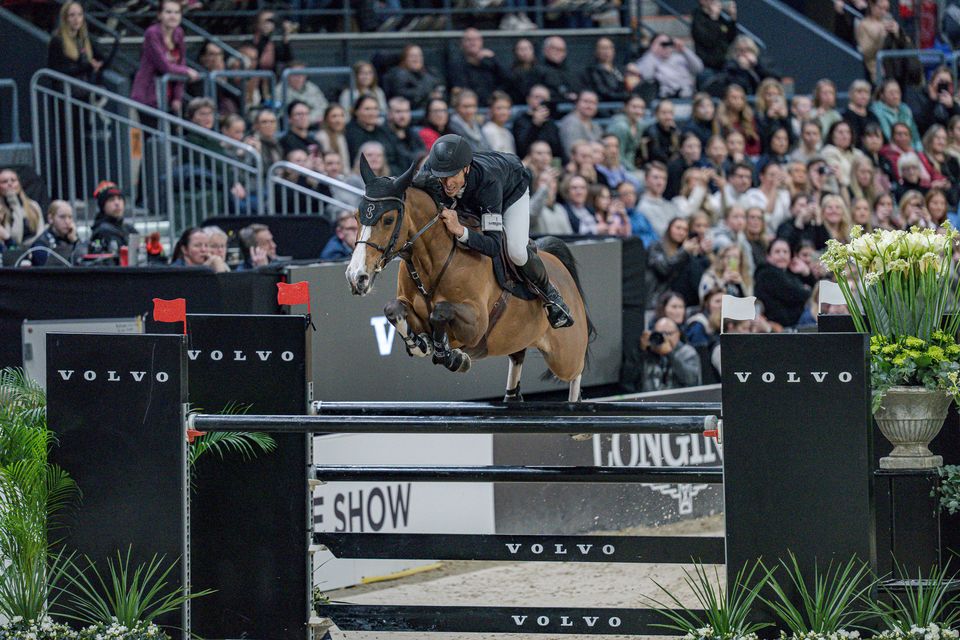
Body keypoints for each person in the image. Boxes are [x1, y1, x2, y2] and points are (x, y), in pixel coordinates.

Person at [419, 134, 575, 328]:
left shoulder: (488, 182)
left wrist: (460, 231)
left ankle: (551, 295)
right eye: (441, 177)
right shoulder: (430, 171)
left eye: (452, 176)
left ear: (466, 168)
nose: (447, 183)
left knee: (516, 251)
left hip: (511, 189)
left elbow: (493, 245)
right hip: (471, 195)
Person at [130, 0, 199, 113]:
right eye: (168, 12)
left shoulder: (179, 32)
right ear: (159, 15)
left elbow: (181, 62)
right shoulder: (152, 33)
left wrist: (177, 97)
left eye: (177, 12)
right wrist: (187, 71)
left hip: (170, 94)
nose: (173, 16)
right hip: (149, 95)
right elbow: (164, 66)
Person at [630, 316, 702, 392]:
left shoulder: (687, 352)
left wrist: (670, 354)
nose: (664, 338)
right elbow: (631, 378)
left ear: (678, 334)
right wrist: (641, 351)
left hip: (678, 400)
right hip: (651, 400)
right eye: (659, 334)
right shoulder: (649, 352)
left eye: (668, 334)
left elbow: (691, 380)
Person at [754, 238, 814, 328]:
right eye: (777, 252)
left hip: (793, 323)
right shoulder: (766, 273)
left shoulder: (790, 273)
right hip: (781, 326)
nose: (782, 255)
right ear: (768, 256)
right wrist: (806, 291)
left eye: (785, 252)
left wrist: (806, 273)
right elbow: (794, 294)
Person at [446, 28, 509, 105]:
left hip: (492, 107)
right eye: (469, 40)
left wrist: (494, 59)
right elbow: (459, 89)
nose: (473, 43)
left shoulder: (491, 62)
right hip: (469, 108)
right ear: (462, 43)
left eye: (476, 40)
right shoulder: (456, 65)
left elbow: (508, 80)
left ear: (481, 42)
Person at [47, 2, 104, 85]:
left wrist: (98, 64)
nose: (76, 19)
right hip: (66, 92)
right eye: (72, 15)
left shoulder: (84, 39)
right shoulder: (57, 40)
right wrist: (86, 67)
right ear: (65, 18)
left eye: (80, 15)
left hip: (85, 89)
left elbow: (101, 58)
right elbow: (54, 71)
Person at [635, 33, 703, 100]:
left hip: (687, 96)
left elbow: (698, 68)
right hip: (665, 99)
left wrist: (684, 49)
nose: (666, 47)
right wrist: (652, 52)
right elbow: (646, 75)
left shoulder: (680, 58)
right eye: (662, 44)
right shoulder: (649, 59)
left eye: (668, 44)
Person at [382, 44, 443, 111]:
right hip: (406, 111)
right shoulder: (399, 74)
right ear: (405, 59)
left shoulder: (429, 73)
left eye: (419, 56)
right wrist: (427, 94)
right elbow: (400, 93)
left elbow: (439, 88)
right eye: (412, 56)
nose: (416, 59)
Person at [512, 85, 564, 161]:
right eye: (537, 97)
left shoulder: (551, 123)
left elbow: (557, 150)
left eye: (544, 98)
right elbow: (522, 149)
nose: (540, 101)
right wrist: (535, 124)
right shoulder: (520, 121)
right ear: (528, 99)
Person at [88, 181, 137, 255]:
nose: (117, 203)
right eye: (111, 200)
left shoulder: (129, 229)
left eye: (120, 199)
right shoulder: (102, 231)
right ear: (103, 206)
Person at [0, 169, 43, 249]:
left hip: (32, 250)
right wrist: (14, 204)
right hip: (10, 253)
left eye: (13, 180)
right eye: (5, 182)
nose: (10, 184)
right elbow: (16, 239)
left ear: (19, 184)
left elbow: (41, 235)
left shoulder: (33, 206)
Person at [691, 0, 738, 74]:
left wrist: (733, 19)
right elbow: (709, 41)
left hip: (723, 61)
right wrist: (714, 18)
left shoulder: (720, 18)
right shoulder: (698, 17)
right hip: (706, 63)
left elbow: (730, 37)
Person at [384, 96, 427, 172]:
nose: (403, 116)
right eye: (398, 111)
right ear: (389, 114)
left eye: (406, 111)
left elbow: (424, 154)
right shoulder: (382, 134)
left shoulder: (412, 133)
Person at [345, 95, 394, 161]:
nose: (372, 113)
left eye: (375, 109)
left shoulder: (384, 131)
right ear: (356, 111)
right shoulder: (348, 133)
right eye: (367, 109)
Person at [580, 37, 629, 103]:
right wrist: (627, 97)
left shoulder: (620, 69)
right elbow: (604, 93)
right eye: (603, 48)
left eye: (609, 48)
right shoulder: (591, 71)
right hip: (606, 107)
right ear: (596, 51)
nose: (606, 51)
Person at [606, 95, 647, 173]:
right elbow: (618, 156)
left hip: (631, 166)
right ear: (625, 108)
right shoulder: (620, 127)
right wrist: (634, 170)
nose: (639, 111)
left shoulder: (639, 125)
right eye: (634, 107)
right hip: (617, 167)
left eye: (642, 108)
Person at [559, 91, 602, 159]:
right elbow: (570, 153)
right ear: (577, 103)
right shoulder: (571, 123)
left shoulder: (595, 125)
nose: (589, 106)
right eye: (586, 101)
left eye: (593, 103)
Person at [285, 61, 329, 127]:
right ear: (288, 76)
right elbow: (284, 115)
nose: (299, 77)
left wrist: (309, 119)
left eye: (302, 74)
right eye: (295, 74)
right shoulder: (280, 90)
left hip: (315, 125)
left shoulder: (312, 88)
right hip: (292, 128)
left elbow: (324, 108)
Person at [640, 100, 680, 165]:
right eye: (664, 113)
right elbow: (656, 155)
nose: (668, 117)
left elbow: (678, 151)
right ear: (656, 114)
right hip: (654, 166)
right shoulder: (651, 131)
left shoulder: (674, 130)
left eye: (671, 113)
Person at [315, 104, 350, 170]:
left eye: (341, 116)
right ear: (326, 119)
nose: (338, 120)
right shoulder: (322, 137)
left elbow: (345, 166)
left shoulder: (341, 137)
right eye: (334, 116)